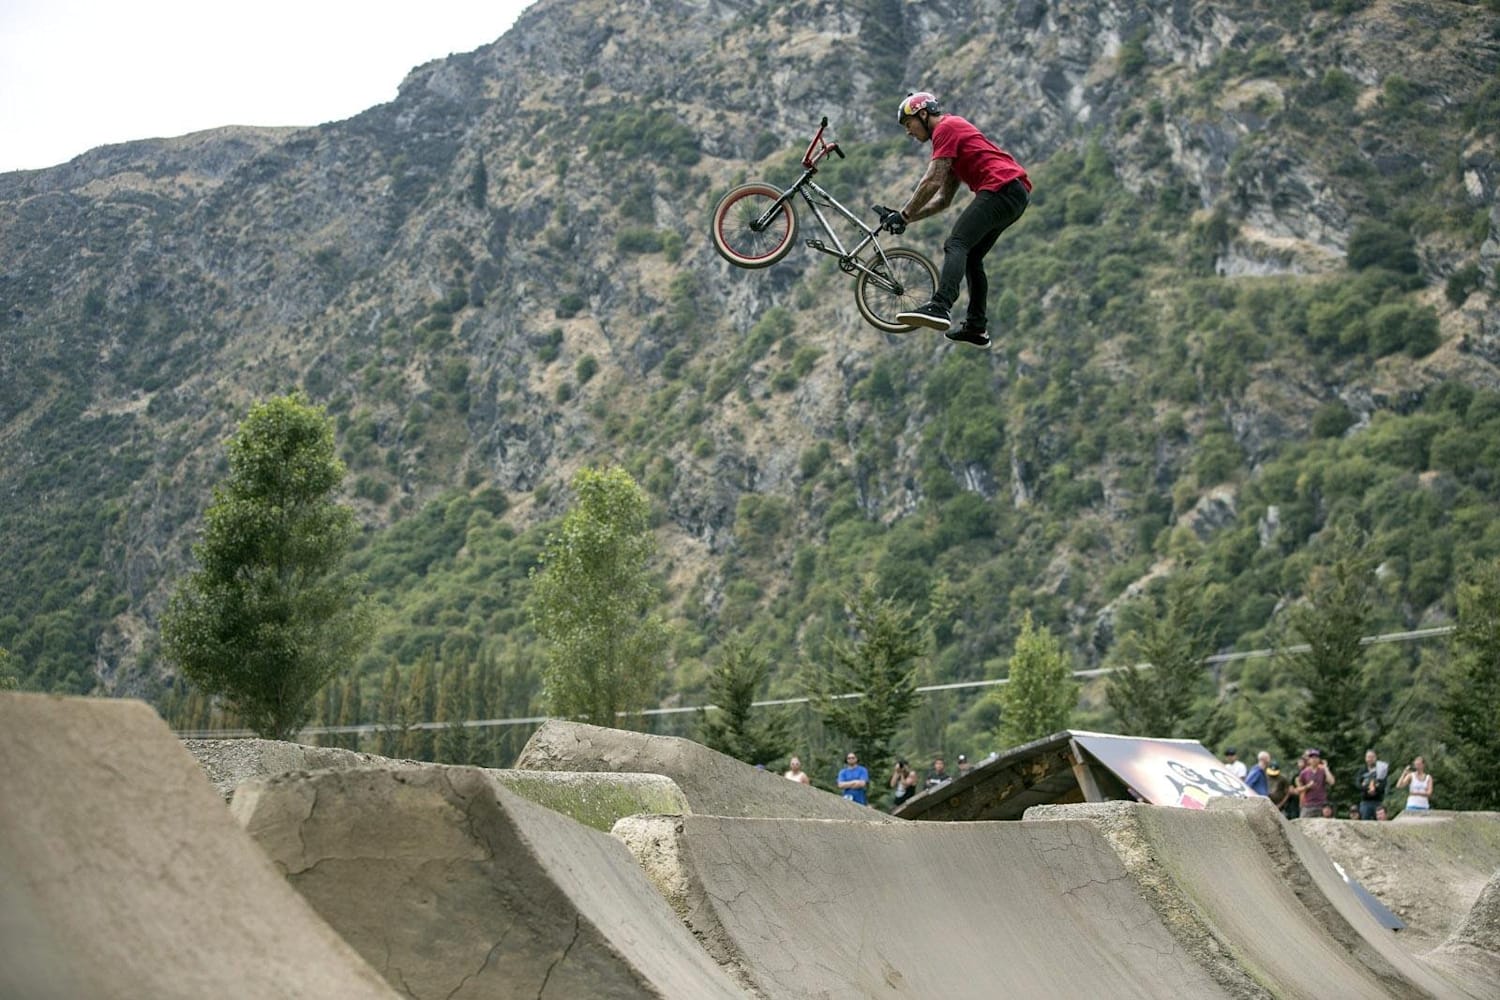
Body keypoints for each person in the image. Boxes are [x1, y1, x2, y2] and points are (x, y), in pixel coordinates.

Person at [884, 91, 1031, 349]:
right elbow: (943, 200)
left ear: (923, 114)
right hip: (1013, 194)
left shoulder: (946, 128)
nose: (908, 132)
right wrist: (906, 220)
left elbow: (932, 180)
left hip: (1002, 188)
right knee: (971, 256)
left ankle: (940, 306)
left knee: (956, 243)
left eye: (908, 124)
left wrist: (904, 213)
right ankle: (976, 327)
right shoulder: (949, 142)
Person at [1294, 749, 1335, 819]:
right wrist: (1307, 786)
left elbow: (1332, 782)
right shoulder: (1304, 773)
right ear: (1309, 760)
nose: (1314, 759)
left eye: (1316, 757)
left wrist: (1326, 768)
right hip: (1308, 805)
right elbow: (1297, 790)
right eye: (1312, 757)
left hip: (1321, 804)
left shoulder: (1323, 771)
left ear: (1319, 759)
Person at [1357, 749, 1388, 820]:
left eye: (1372, 757)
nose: (1370, 759)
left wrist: (1375, 789)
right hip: (1365, 801)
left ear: (1375, 758)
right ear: (1365, 758)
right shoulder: (1362, 770)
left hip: (1378, 801)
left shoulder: (1381, 769)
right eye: (1368, 757)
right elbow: (1357, 783)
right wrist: (1367, 789)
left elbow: (1383, 784)